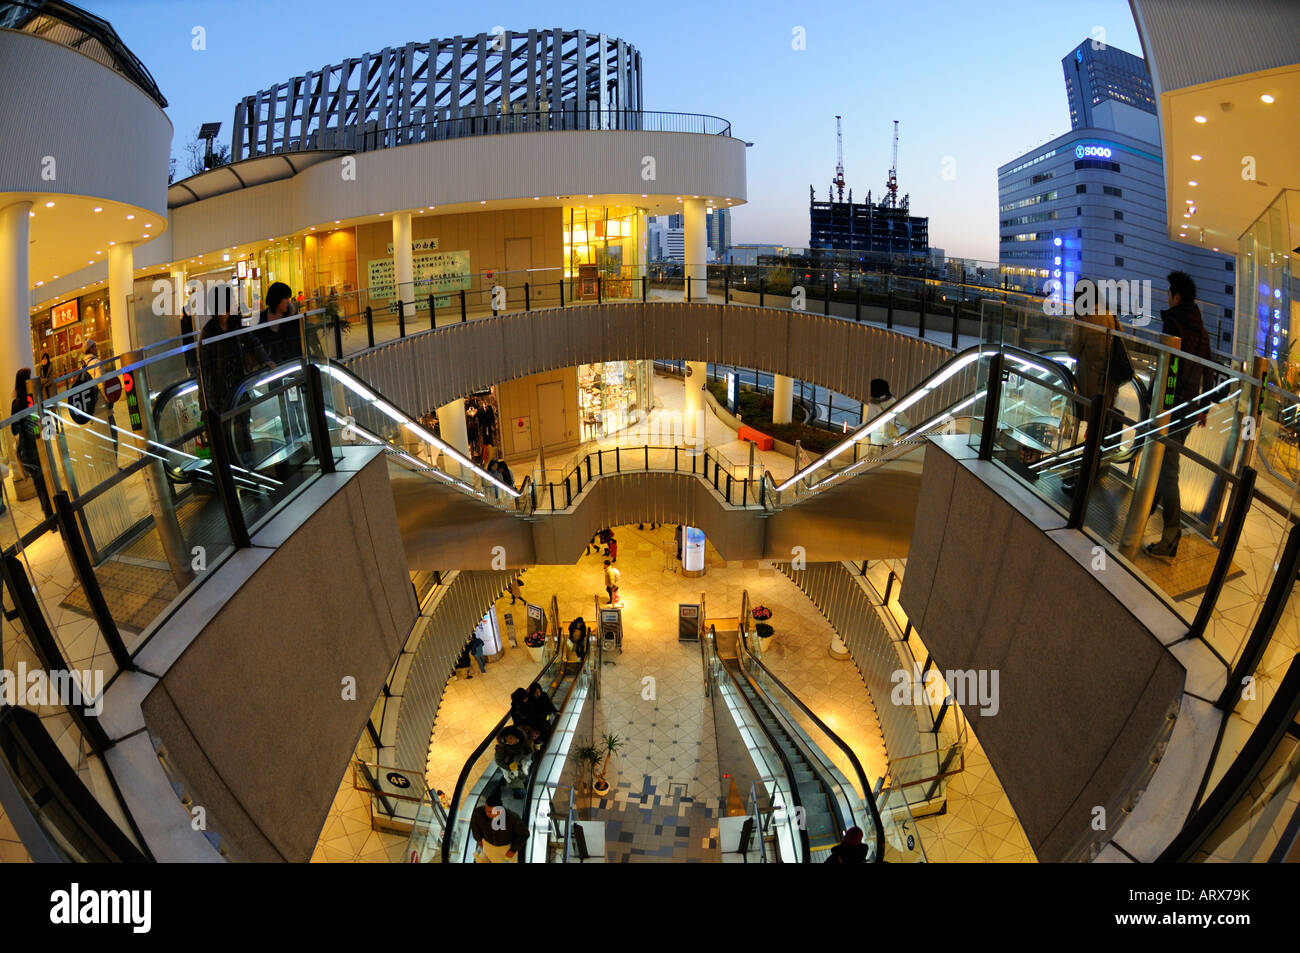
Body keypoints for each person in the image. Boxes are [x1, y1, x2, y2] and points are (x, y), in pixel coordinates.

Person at [1146, 270, 1212, 561]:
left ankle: (1171, 534)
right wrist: (1204, 407)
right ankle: (1145, 512)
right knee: (1164, 463)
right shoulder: (1201, 328)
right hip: (1190, 407)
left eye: (1169, 293)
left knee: (1167, 469)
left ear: (1177, 297)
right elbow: (1208, 368)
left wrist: (1159, 405)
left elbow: (1168, 369)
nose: (1167, 298)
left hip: (1170, 409)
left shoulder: (1173, 322)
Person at [1062, 278, 1122, 495]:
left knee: (1089, 430)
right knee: (1098, 432)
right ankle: (1094, 473)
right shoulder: (1109, 314)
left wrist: (1066, 340)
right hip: (1109, 384)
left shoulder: (1085, 317)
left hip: (1090, 383)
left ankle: (1082, 481)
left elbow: (1075, 351)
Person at [10, 368, 54, 519]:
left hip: (28, 449)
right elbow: (44, 415)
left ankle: (49, 515)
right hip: (39, 443)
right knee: (48, 480)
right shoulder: (34, 397)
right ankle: (53, 513)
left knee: (39, 482)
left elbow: (13, 429)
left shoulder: (16, 403)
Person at [470, 788, 529, 863]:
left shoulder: (512, 818)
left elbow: (523, 834)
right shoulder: (478, 813)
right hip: (487, 844)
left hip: (506, 848)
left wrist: (513, 849)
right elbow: (475, 825)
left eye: (491, 812)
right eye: (486, 810)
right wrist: (478, 839)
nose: (487, 813)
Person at [257, 281, 301, 365]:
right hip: (271, 369)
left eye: (289, 298)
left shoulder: (293, 319)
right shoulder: (261, 319)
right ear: (277, 299)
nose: (288, 301)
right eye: (286, 298)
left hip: (292, 365)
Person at [864, 379, 910, 447]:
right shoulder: (873, 403)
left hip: (887, 435)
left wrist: (910, 427)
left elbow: (901, 416)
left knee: (884, 451)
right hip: (878, 435)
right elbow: (869, 419)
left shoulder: (891, 401)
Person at [494, 725, 535, 795]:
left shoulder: (524, 743)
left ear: (517, 737)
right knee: (515, 782)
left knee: (525, 777)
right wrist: (509, 767)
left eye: (510, 738)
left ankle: (526, 786)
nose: (508, 741)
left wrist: (523, 761)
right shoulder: (503, 748)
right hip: (511, 770)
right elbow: (498, 761)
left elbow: (529, 752)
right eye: (506, 739)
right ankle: (519, 792)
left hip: (523, 766)